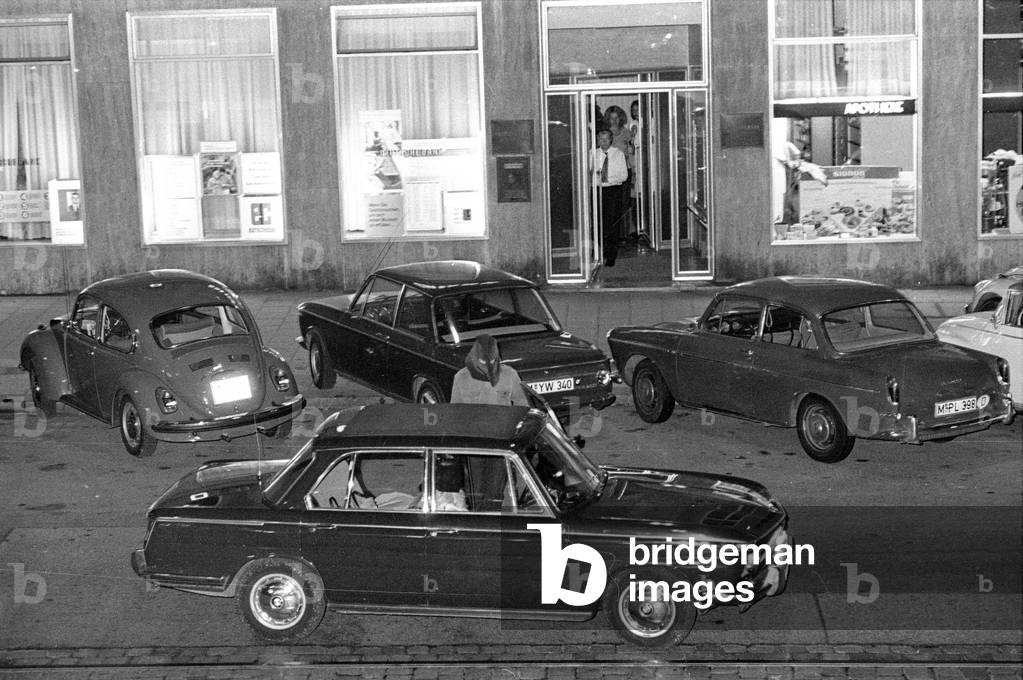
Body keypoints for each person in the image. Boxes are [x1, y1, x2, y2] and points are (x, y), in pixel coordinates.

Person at [450, 334, 529, 405]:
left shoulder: (509, 374)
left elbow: (522, 403)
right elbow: (455, 410)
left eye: (492, 361)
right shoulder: (462, 377)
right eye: (483, 361)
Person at [591, 129, 628, 267]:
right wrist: (596, 177)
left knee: (612, 223)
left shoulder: (618, 154)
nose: (604, 142)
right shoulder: (592, 154)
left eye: (606, 139)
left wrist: (606, 178)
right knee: (598, 221)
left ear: (611, 140)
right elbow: (588, 174)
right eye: (601, 139)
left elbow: (624, 176)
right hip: (598, 190)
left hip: (613, 191)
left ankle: (611, 255)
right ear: (597, 139)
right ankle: (600, 251)